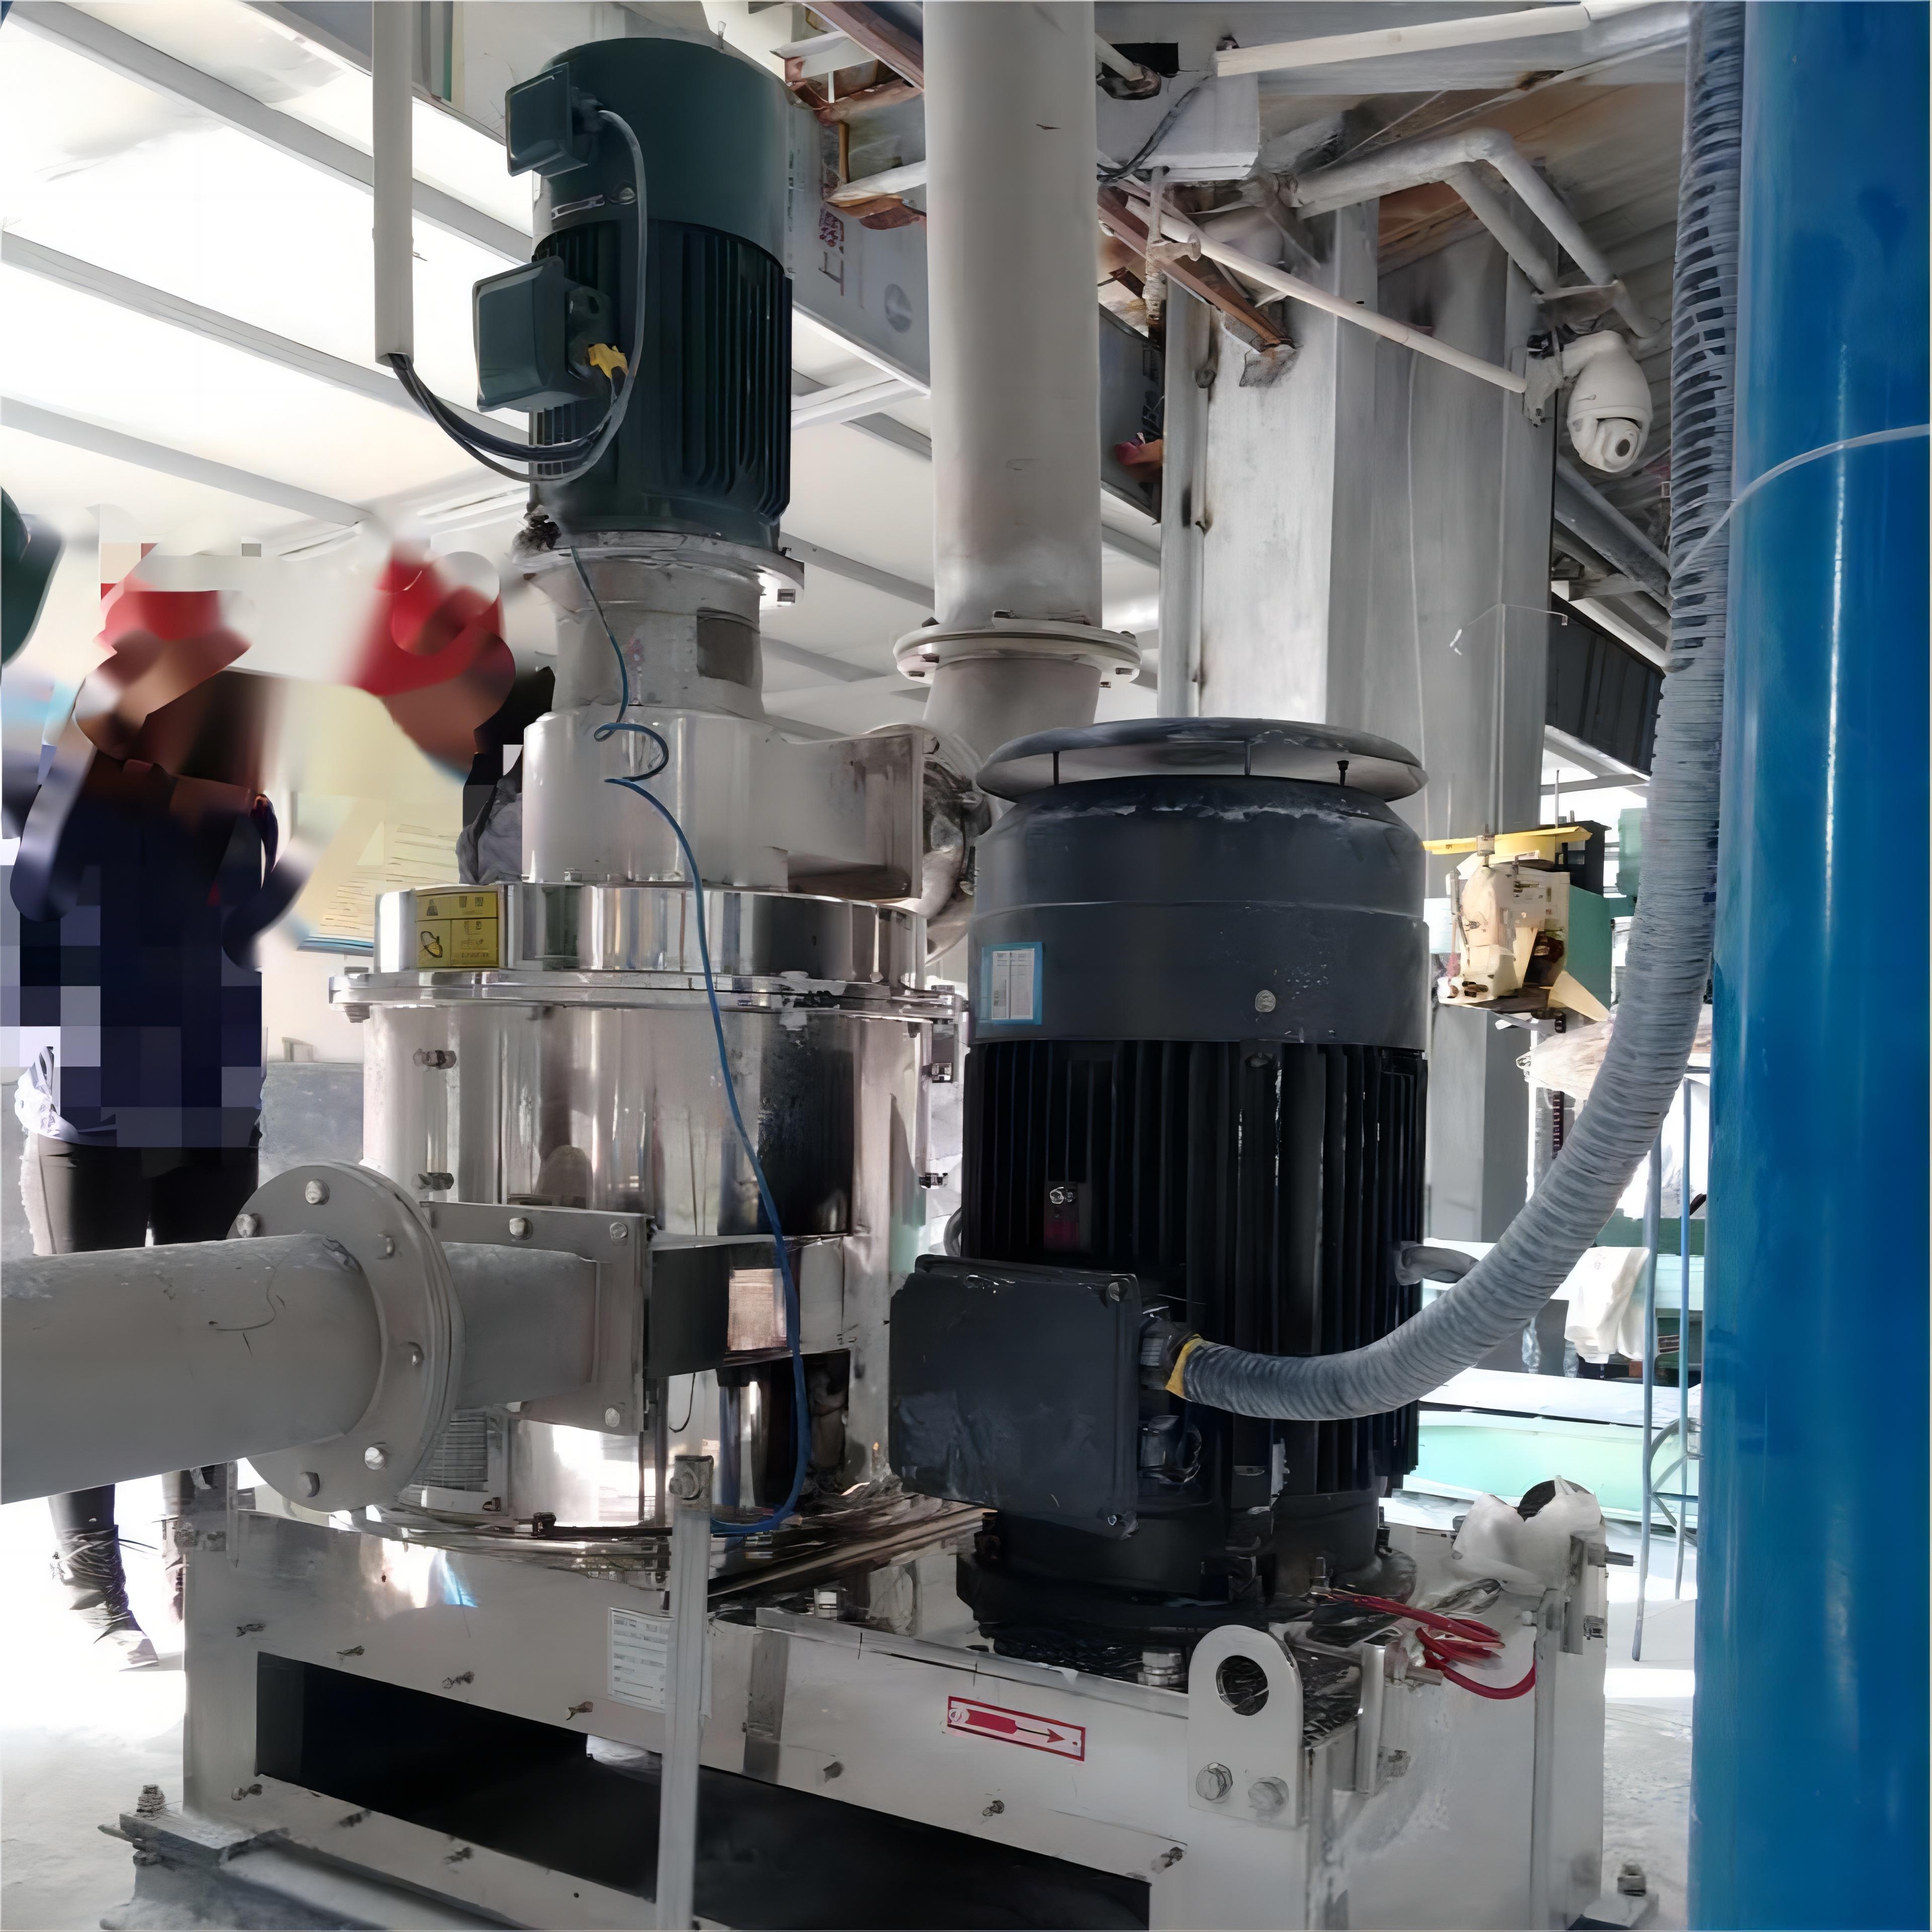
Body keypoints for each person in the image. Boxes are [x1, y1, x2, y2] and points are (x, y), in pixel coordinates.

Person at [6, 639, 291, 1665]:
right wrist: (132, 688)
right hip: (90, 1122)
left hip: (213, 1112)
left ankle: (202, 1559)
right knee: (90, 1353)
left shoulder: (244, 820)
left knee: (213, 1344)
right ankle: (94, 1581)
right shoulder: (61, 804)